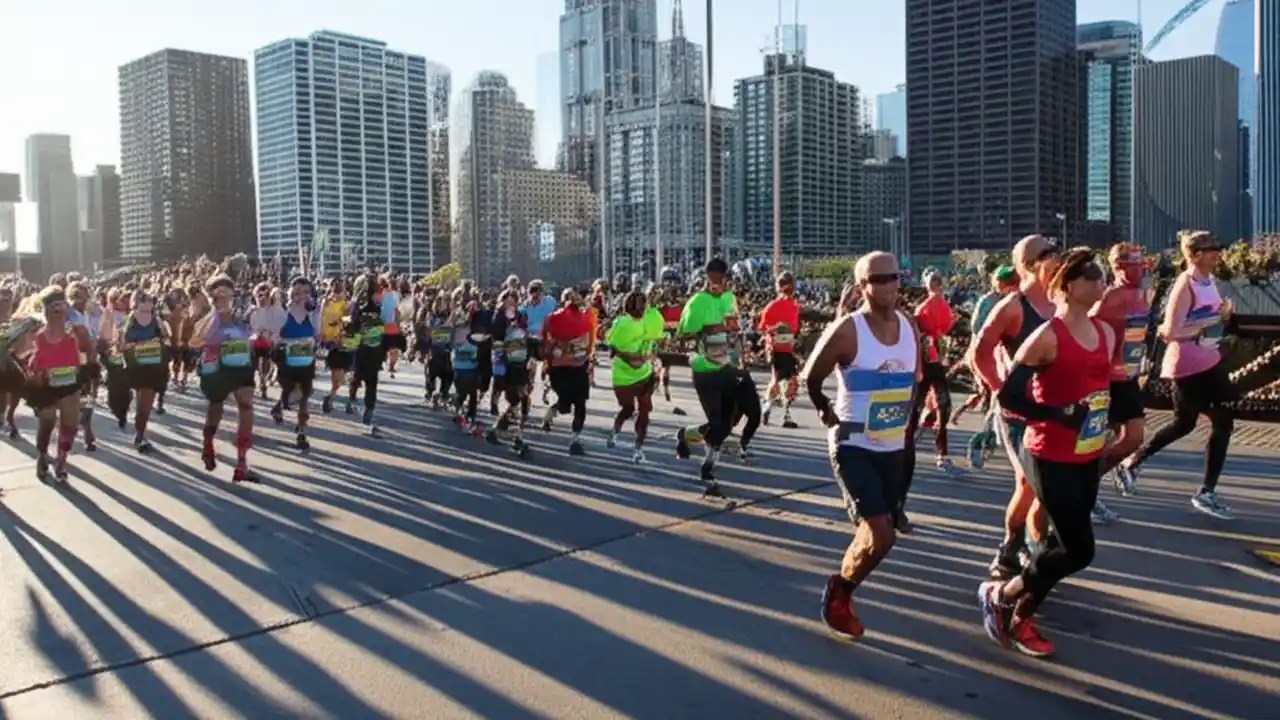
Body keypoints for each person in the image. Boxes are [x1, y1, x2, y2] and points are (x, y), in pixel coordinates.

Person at [980, 247, 1115, 659]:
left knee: (1058, 544)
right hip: (1049, 454)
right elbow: (1010, 397)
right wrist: (1056, 414)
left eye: (1102, 275)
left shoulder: (1104, 332)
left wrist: (1122, 424)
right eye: (1092, 276)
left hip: (1087, 454)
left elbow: (1109, 386)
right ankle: (1004, 594)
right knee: (1079, 549)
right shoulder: (1047, 336)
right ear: (1071, 287)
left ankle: (1018, 615)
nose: (1101, 282)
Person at [805, 252, 920, 640]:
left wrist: (909, 431)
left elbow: (912, 384)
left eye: (894, 277)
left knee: (876, 537)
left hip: (895, 448)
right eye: (878, 279)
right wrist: (825, 411)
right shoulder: (848, 330)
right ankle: (840, 596)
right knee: (881, 533)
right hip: (853, 444)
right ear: (862, 287)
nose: (888, 285)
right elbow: (811, 378)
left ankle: (842, 585)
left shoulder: (910, 327)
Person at [1117, 231, 1237, 519]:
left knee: (1224, 421)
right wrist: (1204, 327)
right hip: (1188, 365)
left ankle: (1207, 492)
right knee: (1184, 424)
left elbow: (1209, 318)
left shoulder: (1209, 281)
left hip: (1210, 360)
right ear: (1193, 255)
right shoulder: (1186, 285)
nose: (1217, 253)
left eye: (1218, 248)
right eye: (1211, 250)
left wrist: (1222, 318)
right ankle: (1132, 461)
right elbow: (1169, 331)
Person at [971, 235, 1062, 578]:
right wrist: (1002, 391)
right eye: (1045, 255)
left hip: (1055, 410)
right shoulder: (1012, 307)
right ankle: (1009, 549)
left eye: (1055, 251)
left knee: (1050, 483)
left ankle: (1036, 546)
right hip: (1018, 413)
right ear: (1027, 265)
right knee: (1028, 482)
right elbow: (979, 354)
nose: (1054, 259)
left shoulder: (1063, 303)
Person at [1089, 243, 1151, 523]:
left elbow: (1139, 336)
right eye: (1132, 266)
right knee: (1100, 441)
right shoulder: (1108, 298)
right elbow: (1086, 330)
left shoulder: (1142, 294)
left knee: (1132, 439)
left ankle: (1085, 487)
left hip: (1129, 377)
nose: (1139, 270)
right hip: (1107, 379)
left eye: (1141, 265)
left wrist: (1141, 366)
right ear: (1117, 268)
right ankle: (1084, 494)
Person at [674, 258, 738, 492]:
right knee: (716, 422)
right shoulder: (697, 301)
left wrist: (731, 330)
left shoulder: (730, 299)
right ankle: (708, 465)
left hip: (727, 367)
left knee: (726, 423)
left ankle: (685, 435)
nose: (718, 281)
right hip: (704, 368)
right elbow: (683, 335)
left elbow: (734, 328)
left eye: (721, 276)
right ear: (706, 276)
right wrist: (705, 330)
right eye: (713, 276)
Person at [195, 274, 257, 483]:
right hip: (218, 368)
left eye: (227, 289)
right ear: (211, 293)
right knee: (216, 407)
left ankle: (242, 463)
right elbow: (196, 341)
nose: (223, 293)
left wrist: (256, 341)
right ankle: (208, 443)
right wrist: (214, 316)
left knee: (246, 406)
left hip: (241, 366)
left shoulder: (241, 316)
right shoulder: (206, 317)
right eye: (218, 290)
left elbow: (250, 335)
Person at [24, 287, 86, 480]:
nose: (58, 311)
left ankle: (61, 460)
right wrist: (35, 370)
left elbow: (85, 353)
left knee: (70, 425)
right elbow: (27, 361)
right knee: (47, 423)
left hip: (69, 383)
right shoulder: (37, 335)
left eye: (62, 306)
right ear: (47, 311)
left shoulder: (74, 332)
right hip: (45, 386)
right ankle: (42, 456)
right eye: (54, 307)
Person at [606, 289, 662, 463]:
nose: (642, 307)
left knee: (644, 411)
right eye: (639, 304)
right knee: (628, 409)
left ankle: (638, 450)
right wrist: (637, 358)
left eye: (644, 304)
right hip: (623, 377)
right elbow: (616, 348)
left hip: (643, 374)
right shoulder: (621, 323)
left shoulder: (649, 318)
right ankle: (615, 432)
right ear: (629, 306)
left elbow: (657, 335)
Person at [913, 270, 959, 473]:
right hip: (926, 360)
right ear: (927, 284)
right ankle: (905, 447)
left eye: (939, 281)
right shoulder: (923, 308)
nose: (937, 284)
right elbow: (918, 334)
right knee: (917, 404)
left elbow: (947, 329)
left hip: (937, 360)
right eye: (933, 281)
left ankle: (942, 453)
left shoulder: (942, 305)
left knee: (943, 405)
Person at [540, 288, 592, 456]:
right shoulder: (552, 318)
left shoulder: (585, 318)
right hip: (559, 366)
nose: (573, 301)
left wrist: (589, 360)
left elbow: (589, 342)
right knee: (565, 403)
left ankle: (575, 439)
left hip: (579, 366)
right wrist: (547, 362)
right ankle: (552, 412)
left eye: (575, 298)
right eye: (569, 298)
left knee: (580, 403)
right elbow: (546, 342)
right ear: (563, 301)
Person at [271, 277, 321, 451]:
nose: (301, 296)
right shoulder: (283, 313)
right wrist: (278, 345)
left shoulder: (312, 314)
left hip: (306, 358)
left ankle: (302, 432)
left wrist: (313, 312)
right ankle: (279, 406)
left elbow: (317, 332)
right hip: (287, 358)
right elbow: (275, 335)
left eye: (306, 292)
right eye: (297, 291)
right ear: (290, 293)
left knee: (304, 395)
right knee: (289, 390)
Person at [120, 289, 169, 452]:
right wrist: (135, 345)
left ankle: (141, 431)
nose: (147, 304)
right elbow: (122, 345)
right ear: (136, 304)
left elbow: (166, 338)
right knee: (142, 400)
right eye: (143, 301)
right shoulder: (130, 321)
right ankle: (139, 432)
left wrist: (158, 340)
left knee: (147, 402)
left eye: (149, 301)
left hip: (155, 365)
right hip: (138, 366)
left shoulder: (156, 320)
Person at [486, 289, 533, 444]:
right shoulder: (498, 316)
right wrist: (499, 371)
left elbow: (524, 333)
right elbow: (496, 340)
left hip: (520, 360)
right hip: (505, 360)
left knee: (523, 397)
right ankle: (500, 428)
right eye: (508, 299)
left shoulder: (520, 315)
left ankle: (507, 429)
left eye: (514, 299)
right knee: (515, 397)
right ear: (503, 300)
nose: (511, 302)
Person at [759, 271, 802, 429]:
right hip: (779, 347)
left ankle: (769, 407)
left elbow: (763, 326)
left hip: (782, 347)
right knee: (784, 380)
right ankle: (782, 412)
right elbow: (764, 327)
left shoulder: (788, 306)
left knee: (780, 379)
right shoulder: (786, 306)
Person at [347, 273, 387, 437]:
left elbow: (385, 326)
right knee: (358, 377)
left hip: (375, 349)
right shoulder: (357, 305)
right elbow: (352, 326)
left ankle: (368, 411)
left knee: (371, 381)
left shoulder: (380, 306)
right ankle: (353, 399)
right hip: (361, 348)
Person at [320, 280, 352, 414]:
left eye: (340, 291)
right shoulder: (327, 303)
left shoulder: (346, 305)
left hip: (341, 342)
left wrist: (339, 322)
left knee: (341, 375)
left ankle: (333, 397)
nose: (338, 294)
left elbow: (349, 321)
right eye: (335, 291)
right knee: (337, 375)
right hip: (332, 343)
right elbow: (321, 320)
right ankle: (332, 397)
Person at [523, 279, 556, 402]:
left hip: (546, 338)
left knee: (548, 369)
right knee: (530, 366)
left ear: (542, 292)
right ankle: (528, 389)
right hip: (531, 339)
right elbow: (521, 321)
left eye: (537, 292)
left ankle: (545, 390)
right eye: (532, 293)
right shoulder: (526, 305)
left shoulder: (550, 302)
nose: (534, 297)